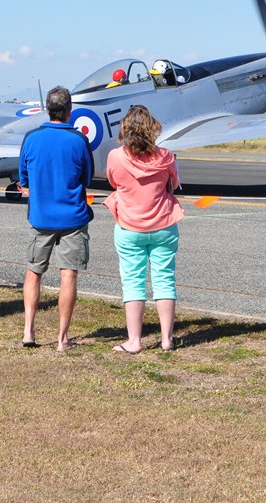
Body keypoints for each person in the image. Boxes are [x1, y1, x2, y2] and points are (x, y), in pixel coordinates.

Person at [103, 105, 184, 353]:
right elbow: (174, 183)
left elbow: (113, 181)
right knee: (164, 280)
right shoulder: (166, 156)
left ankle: (134, 341)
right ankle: (166, 339)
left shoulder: (115, 157)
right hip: (164, 224)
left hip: (129, 226)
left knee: (133, 283)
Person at [19, 86, 94, 351]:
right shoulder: (78, 139)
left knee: (34, 272)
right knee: (68, 275)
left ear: (47, 110)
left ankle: (29, 331)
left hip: (40, 217)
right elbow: (87, 177)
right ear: (69, 112)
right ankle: (62, 338)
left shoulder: (31, 138)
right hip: (72, 217)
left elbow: (23, 177)